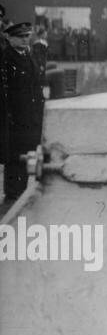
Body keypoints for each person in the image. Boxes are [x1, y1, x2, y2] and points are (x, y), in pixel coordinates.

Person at [1, 22, 46, 205]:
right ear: (9, 38)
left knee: (27, 154)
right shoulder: (5, 58)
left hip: (30, 117)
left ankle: (22, 193)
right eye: (20, 37)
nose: (25, 40)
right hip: (14, 117)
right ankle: (12, 195)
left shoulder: (29, 56)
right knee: (14, 157)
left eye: (27, 36)